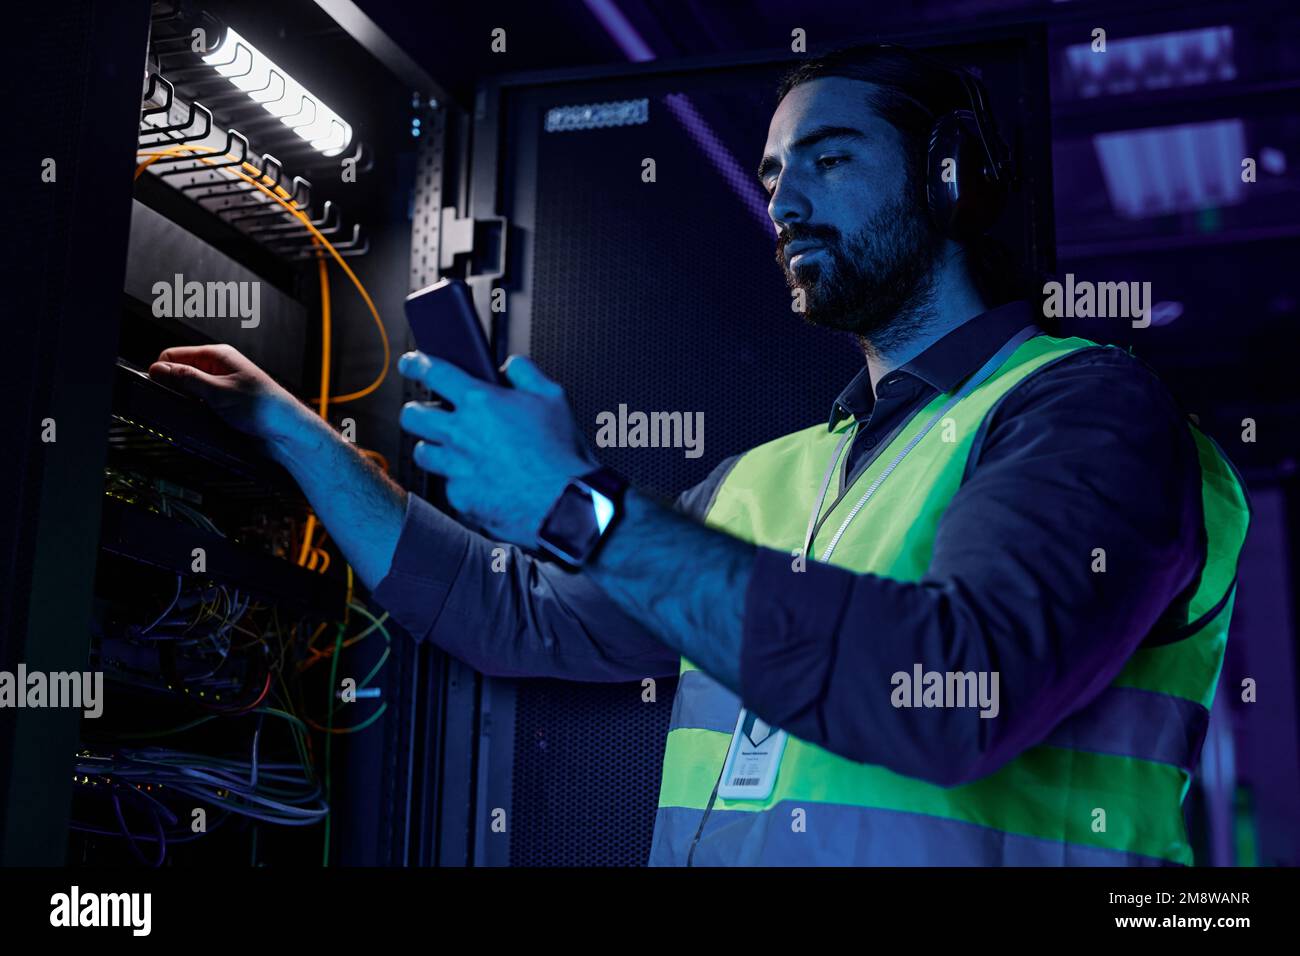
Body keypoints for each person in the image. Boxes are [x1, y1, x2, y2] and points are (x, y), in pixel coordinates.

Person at [149, 43, 1249, 866]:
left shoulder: (1089, 412)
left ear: (950, 178)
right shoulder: (769, 475)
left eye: (827, 157)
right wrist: (287, 427)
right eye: (772, 176)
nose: (785, 202)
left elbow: (954, 691)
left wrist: (583, 504)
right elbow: (506, 609)